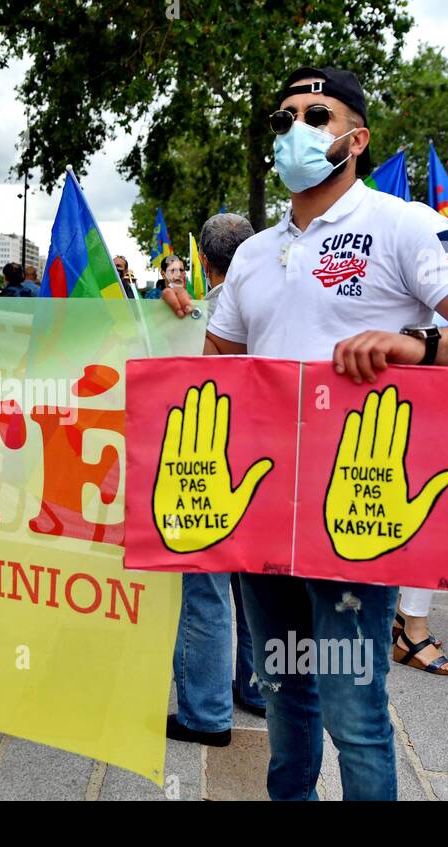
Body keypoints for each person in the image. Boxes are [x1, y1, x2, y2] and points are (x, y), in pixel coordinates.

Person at [161, 66, 448, 799]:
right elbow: (219, 372)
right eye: (283, 116)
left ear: (355, 138)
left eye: (316, 114)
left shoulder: (404, 226)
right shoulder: (256, 254)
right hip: (264, 514)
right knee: (284, 692)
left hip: (355, 515)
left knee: (353, 709)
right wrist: (172, 319)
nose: (295, 127)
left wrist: (416, 346)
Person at [165, 213, 262, 747]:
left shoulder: (201, 316)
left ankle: (205, 713)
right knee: (254, 585)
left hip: (206, 464)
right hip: (265, 462)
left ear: (203, 261)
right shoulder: (275, 302)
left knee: (205, 588)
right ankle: (258, 687)